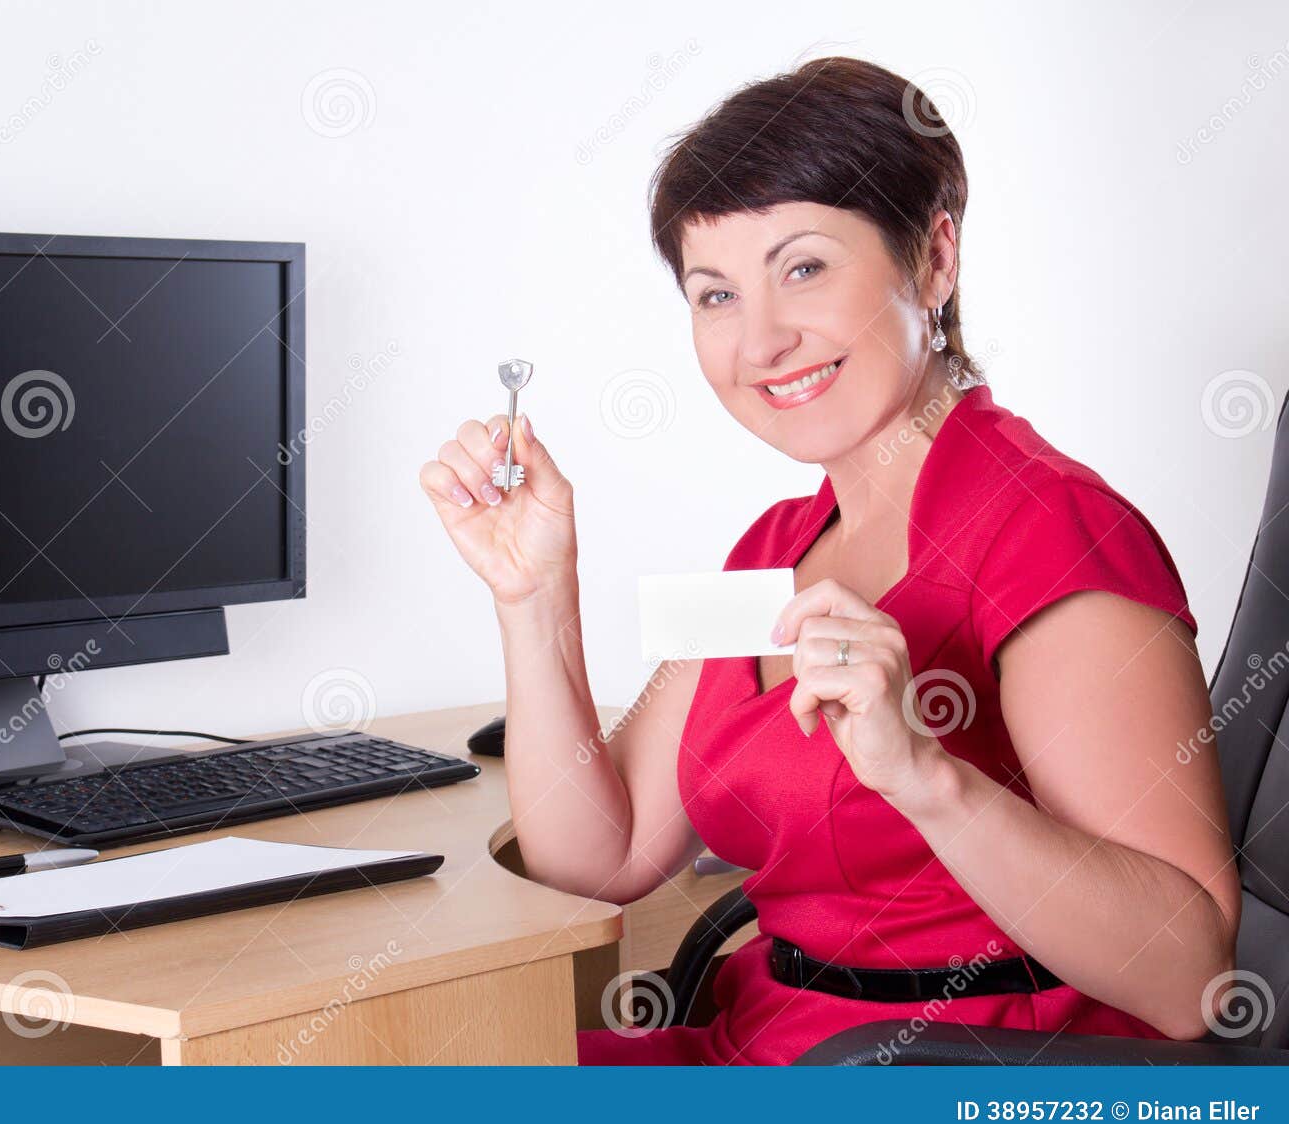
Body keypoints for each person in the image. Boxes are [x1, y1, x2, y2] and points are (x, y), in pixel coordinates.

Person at [417, 56, 1240, 1065]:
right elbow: (604, 857)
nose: (760, 341)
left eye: (803, 268)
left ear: (932, 261)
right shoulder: (774, 549)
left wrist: (924, 775)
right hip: (765, 1043)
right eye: (715, 295)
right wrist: (534, 596)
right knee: (395, 1076)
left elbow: (1188, 980)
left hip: (952, 1076)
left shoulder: (1051, 530)